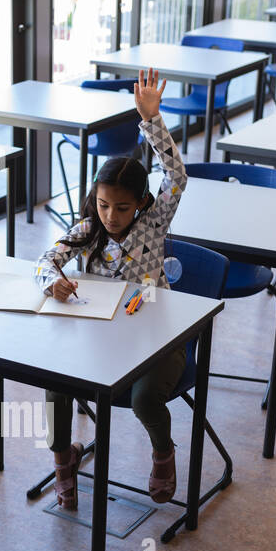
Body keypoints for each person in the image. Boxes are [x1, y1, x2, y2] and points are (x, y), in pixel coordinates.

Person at [34, 68, 183, 509]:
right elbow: (45, 260)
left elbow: (175, 177)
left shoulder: (154, 224)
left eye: (121, 207)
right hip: (100, 342)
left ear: (140, 203)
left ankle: (163, 452)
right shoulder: (87, 229)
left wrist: (151, 120)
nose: (111, 216)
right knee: (53, 385)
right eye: (102, 204)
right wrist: (53, 281)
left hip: (156, 340)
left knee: (143, 398)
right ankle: (65, 460)